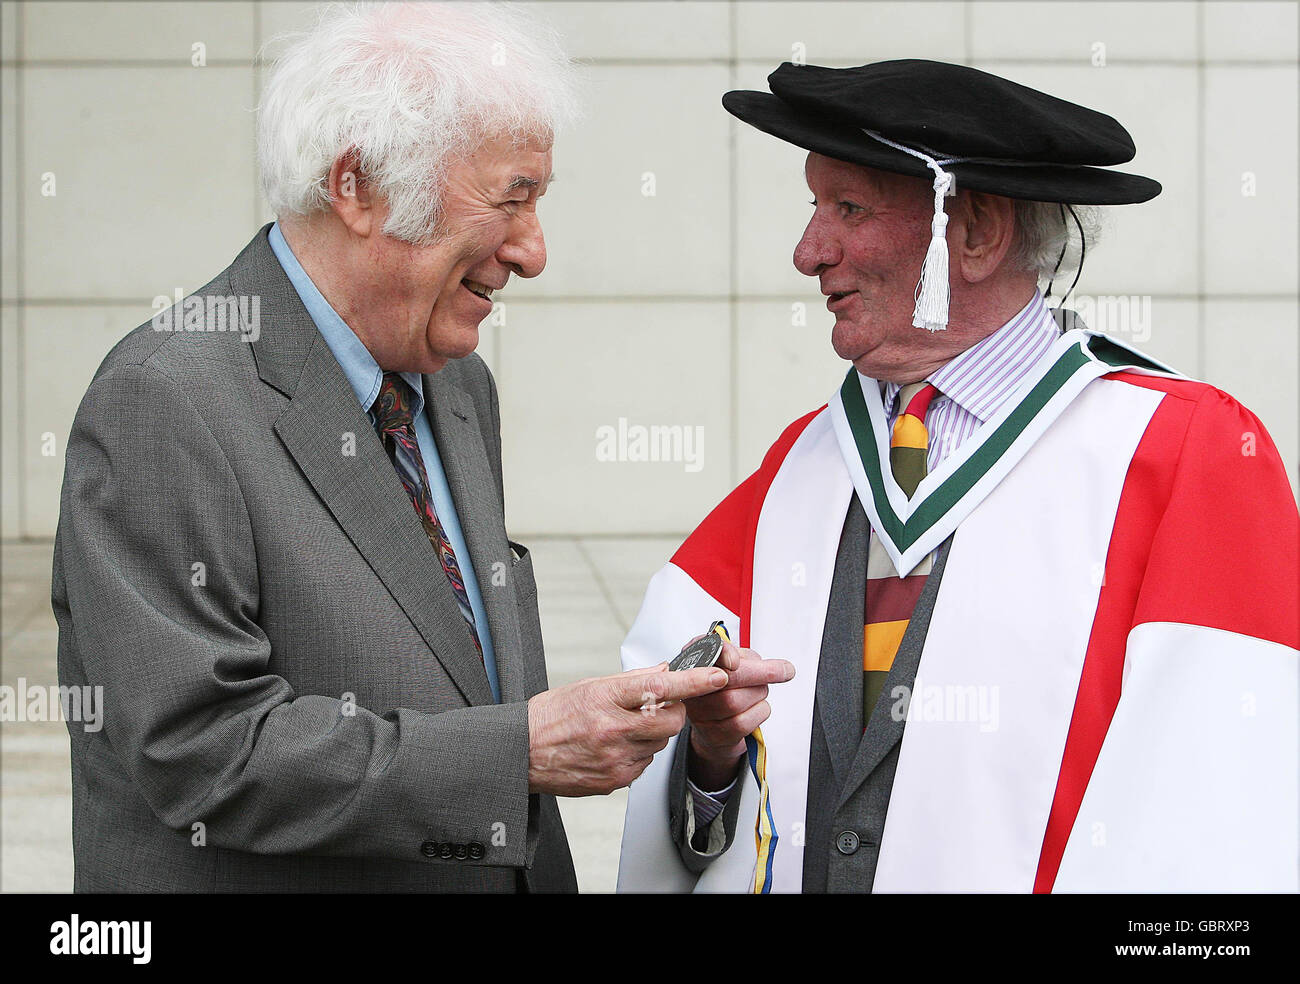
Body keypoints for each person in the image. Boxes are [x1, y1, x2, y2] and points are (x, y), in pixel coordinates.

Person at [51, 0, 727, 894]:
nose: (535, 251)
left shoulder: (453, 380)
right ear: (357, 187)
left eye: (540, 199)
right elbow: (202, 752)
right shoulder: (162, 400)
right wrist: (521, 750)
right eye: (511, 198)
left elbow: (453, 671)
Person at [617, 59, 1299, 893]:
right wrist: (712, 754)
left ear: (973, 233)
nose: (807, 252)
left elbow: (1221, 811)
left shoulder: (1184, 455)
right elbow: (685, 770)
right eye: (814, 207)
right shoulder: (804, 464)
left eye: (849, 208)